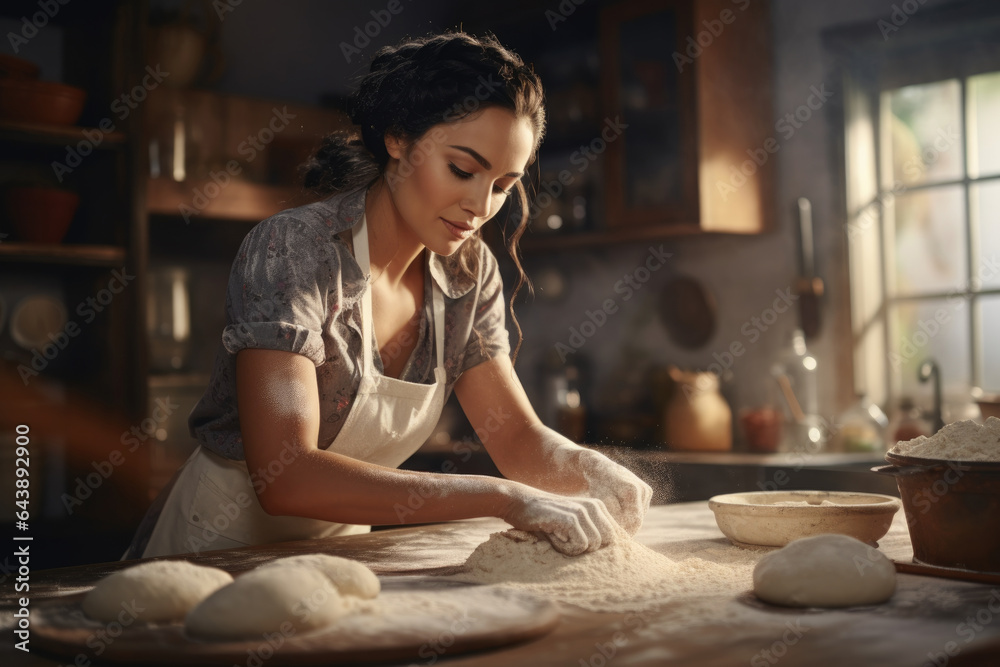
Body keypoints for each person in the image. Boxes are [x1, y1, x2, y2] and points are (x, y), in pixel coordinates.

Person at [125, 32, 651, 560]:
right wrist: (503, 497)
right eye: (462, 170)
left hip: (342, 556)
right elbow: (285, 476)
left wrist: (589, 468)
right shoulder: (296, 250)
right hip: (216, 550)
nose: (480, 206)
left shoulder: (469, 273)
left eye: (502, 186)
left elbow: (515, 438)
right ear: (398, 139)